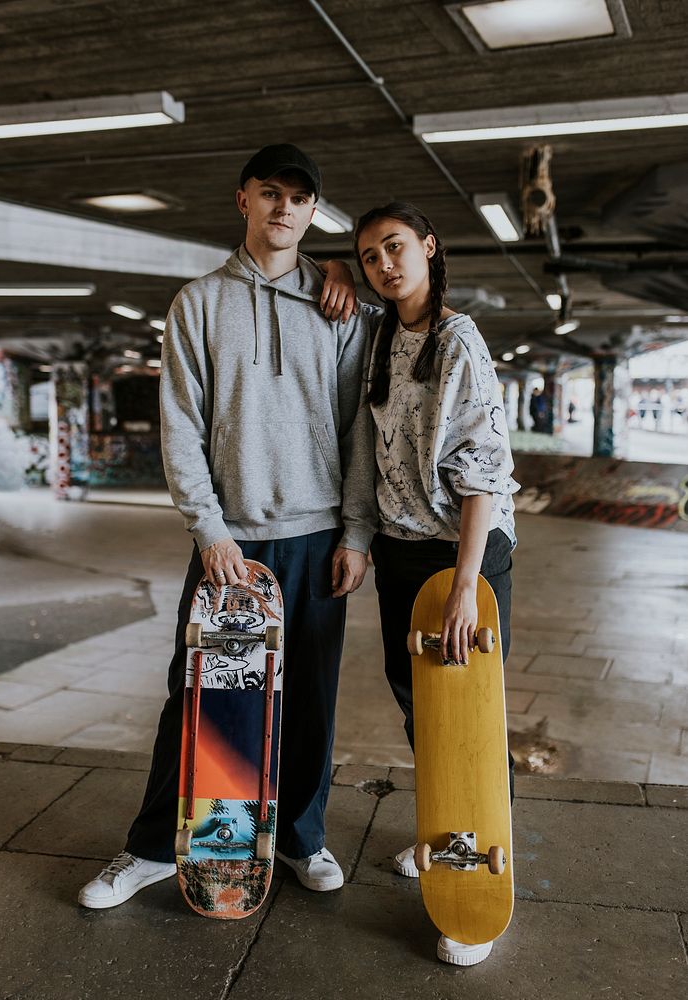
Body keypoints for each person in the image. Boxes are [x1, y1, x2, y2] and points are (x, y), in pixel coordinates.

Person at [78, 144, 376, 909]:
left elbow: (358, 432)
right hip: (229, 541)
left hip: (315, 538)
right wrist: (209, 531)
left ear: (315, 213)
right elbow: (179, 425)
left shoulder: (340, 307)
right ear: (242, 200)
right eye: (270, 193)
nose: (285, 208)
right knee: (200, 694)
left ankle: (303, 837)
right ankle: (153, 847)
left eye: (300, 198)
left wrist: (355, 534)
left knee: (309, 693)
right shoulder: (199, 303)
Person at [354, 202, 519, 966]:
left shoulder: (460, 339)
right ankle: (440, 832)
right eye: (367, 257)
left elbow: (485, 470)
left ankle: (475, 877)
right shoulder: (382, 336)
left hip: (464, 549)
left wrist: (465, 584)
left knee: (467, 710)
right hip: (400, 548)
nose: (385, 264)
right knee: (418, 702)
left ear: (427, 247)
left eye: (395, 247)